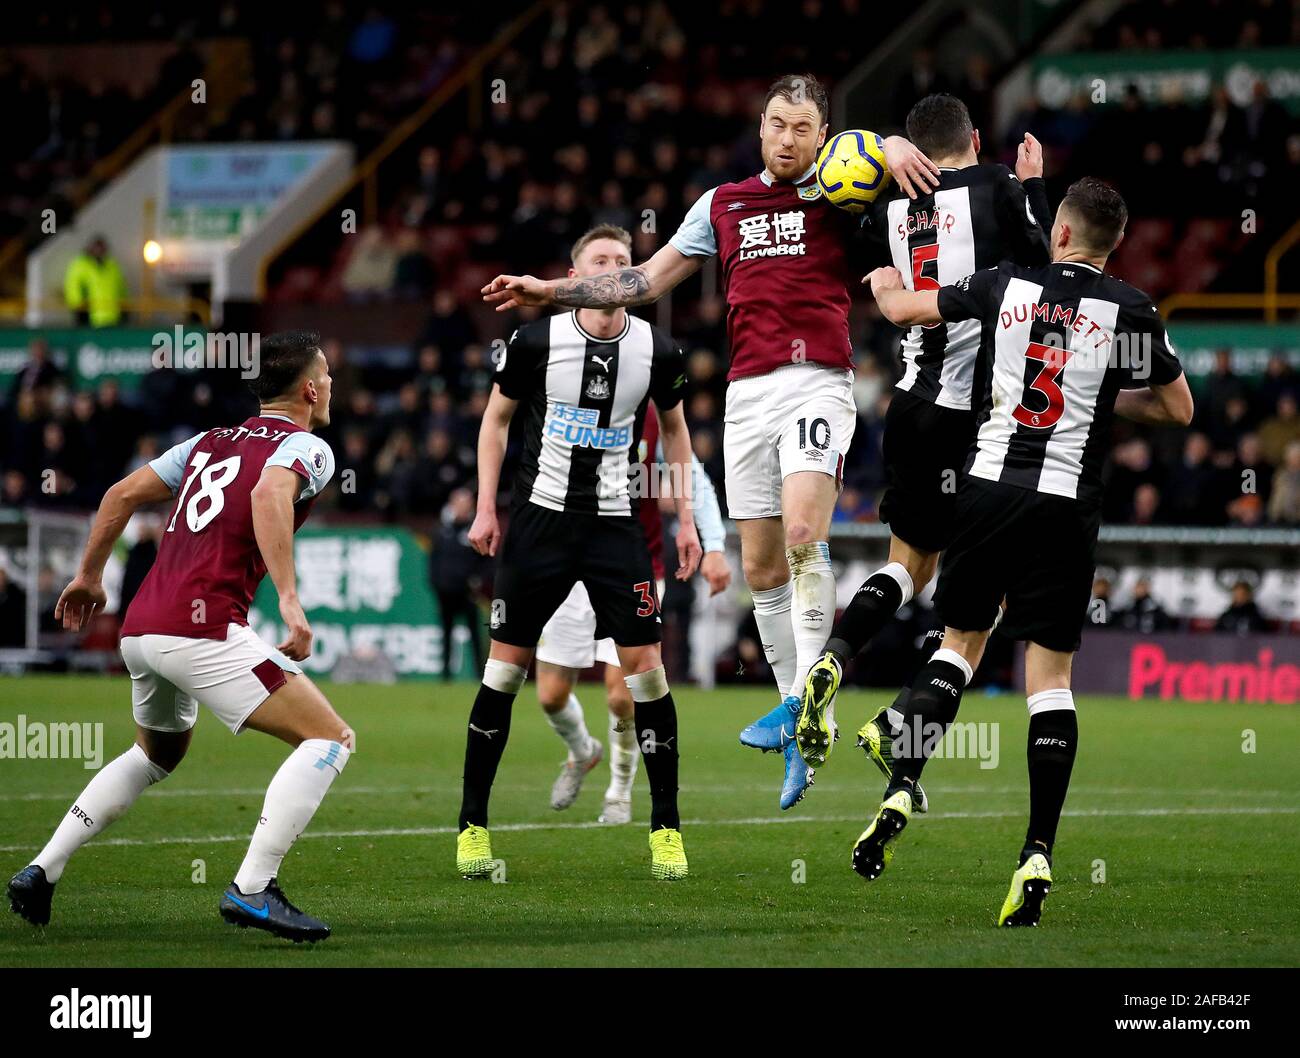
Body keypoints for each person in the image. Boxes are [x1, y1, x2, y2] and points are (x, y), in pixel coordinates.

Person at [483, 73, 940, 810]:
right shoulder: (722, 204)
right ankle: (802, 724)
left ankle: (802, 704)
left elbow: (917, 196)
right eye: (777, 124)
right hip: (746, 393)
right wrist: (550, 290)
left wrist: (889, 145)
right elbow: (642, 281)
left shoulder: (843, 190)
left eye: (803, 128)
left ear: (825, 136)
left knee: (801, 532)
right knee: (762, 569)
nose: (788, 139)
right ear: (760, 127)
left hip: (816, 380)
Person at [852, 178, 1193, 927]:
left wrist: (880, 274)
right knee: (1050, 677)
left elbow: (906, 310)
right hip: (1068, 503)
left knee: (960, 642)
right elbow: (1179, 408)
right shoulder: (1130, 309)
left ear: (1060, 233)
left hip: (986, 487)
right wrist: (1101, 393)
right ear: (1113, 245)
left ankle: (903, 765)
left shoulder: (1004, 283)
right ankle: (1037, 848)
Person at [7, 332, 354, 943]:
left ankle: (42, 869)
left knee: (155, 754)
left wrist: (89, 577)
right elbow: (271, 494)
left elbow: (119, 494)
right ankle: (252, 890)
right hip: (203, 630)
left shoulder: (209, 442)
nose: (331, 386)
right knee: (329, 739)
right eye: (326, 375)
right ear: (309, 388)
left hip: (142, 629)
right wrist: (293, 604)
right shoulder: (309, 447)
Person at [793, 95, 1055, 803]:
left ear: (908, 148)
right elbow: (1046, 268)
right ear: (973, 136)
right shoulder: (998, 185)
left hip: (909, 406)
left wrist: (873, 150)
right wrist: (1033, 182)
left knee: (907, 565)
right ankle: (903, 734)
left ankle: (834, 662)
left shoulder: (881, 211)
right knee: (977, 609)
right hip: (979, 421)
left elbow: (827, 204)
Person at [461, 224, 703, 881]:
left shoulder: (657, 348)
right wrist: (487, 507)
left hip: (616, 530)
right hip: (539, 524)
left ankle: (666, 831)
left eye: (624, 262)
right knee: (506, 673)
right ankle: (473, 830)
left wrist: (685, 518)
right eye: (600, 261)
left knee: (646, 674)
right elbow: (496, 422)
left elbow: (677, 434)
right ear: (575, 273)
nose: (614, 269)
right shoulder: (536, 339)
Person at [537, 392, 730, 825]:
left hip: (635, 565)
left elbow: (691, 477)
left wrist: (713, 545)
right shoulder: (558, 403)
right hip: (566, 566)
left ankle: (619, 792)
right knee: (551, 696)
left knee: (623, 696)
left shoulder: (650, 416)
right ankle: (582, 751)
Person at [429, 487, 488, 680]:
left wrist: (477, 580)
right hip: (446, 592)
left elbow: (487, 560)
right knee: (446, 633)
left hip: (468, 593)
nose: (462, 508)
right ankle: (446, 675)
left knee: (475, 634)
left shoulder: (476, 530)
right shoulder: (442, 531)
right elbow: (434, 561)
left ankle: (480, 674)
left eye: (465, 504)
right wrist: (436, 583)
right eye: (458, 503)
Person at [64, 235, 128, 327]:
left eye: (102, 248)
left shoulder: (112, 265)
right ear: (91, 248)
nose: (100, 251)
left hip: (113, 318)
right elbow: (73, 286)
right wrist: (78, 308)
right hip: (90, 317)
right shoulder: (80, 265)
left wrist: (125, 308)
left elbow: (121, 287)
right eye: (97, 248)